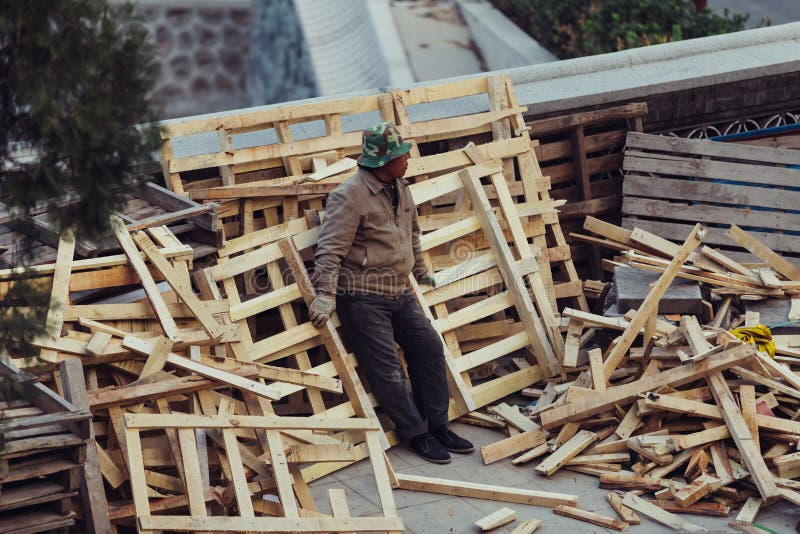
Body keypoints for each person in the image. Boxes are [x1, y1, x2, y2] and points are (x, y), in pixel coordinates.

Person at [308, 122, 474, 464]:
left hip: (399, 290)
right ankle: (416, 434)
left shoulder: (400, 186)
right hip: (362, 296)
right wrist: (324, 294)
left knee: (429, 348)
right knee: (387, 369)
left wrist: (420, 271)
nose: (408, 158)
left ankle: (438, 425)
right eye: (403, 155)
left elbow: (411, 232)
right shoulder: (349, 196)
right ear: (384, 161)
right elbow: (330, 250)